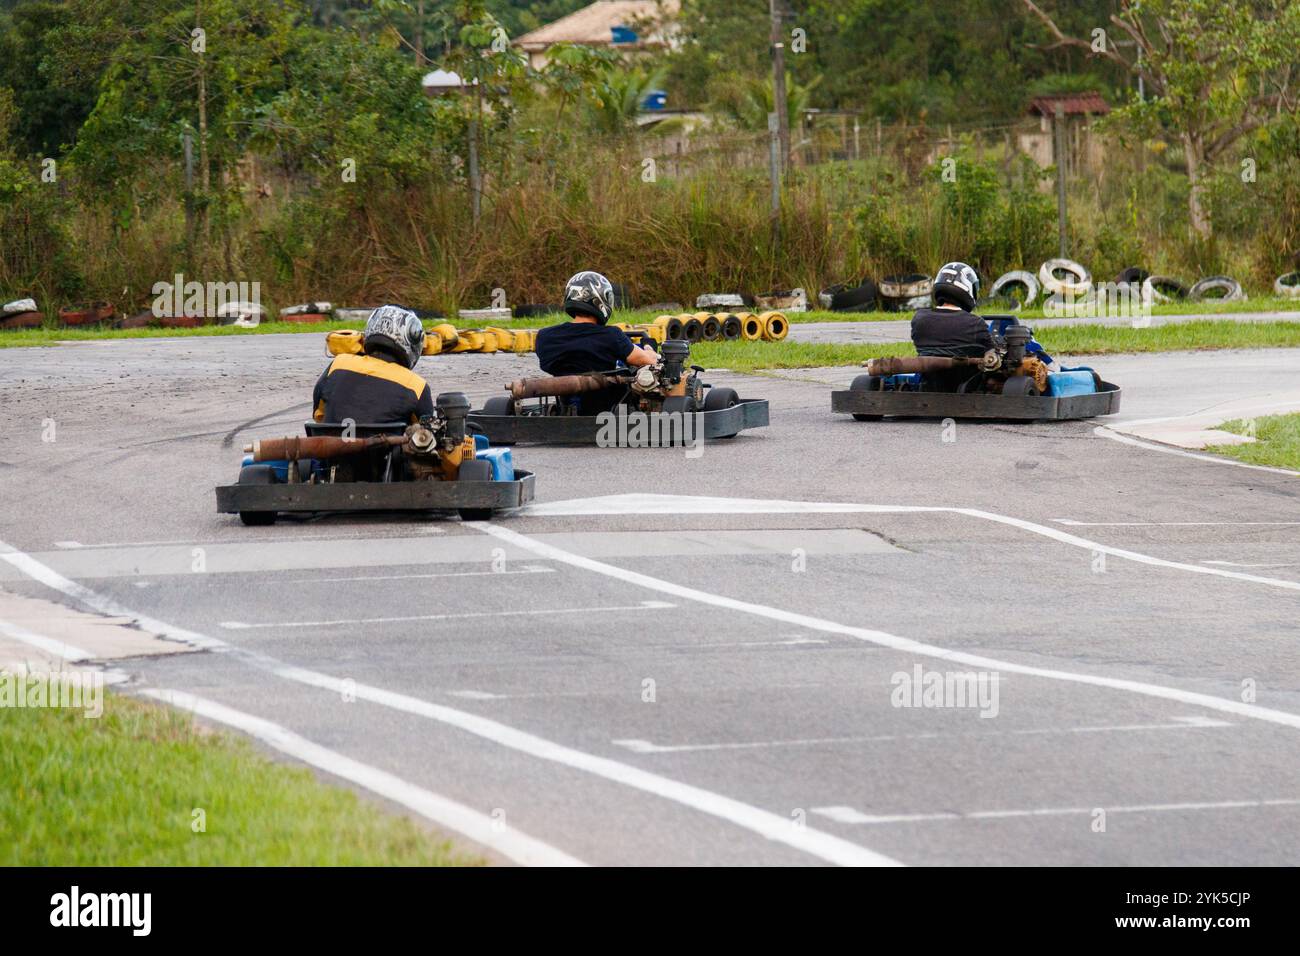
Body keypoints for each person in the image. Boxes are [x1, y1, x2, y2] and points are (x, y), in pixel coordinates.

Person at [534, 271, 658, 413]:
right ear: (600, 300)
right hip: (605, 411)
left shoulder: (546, 337)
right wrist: (650, 350)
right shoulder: (612, 336)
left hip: (565, 407)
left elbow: (551, 364)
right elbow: (647, 361)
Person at [313, 304, 434, 423]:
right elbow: (427, 435)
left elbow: (318, 415)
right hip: (384, 442)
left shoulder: (339, 364)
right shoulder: (416, 386)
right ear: (411, 339)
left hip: (333, 441)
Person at [910, 262, 993, 357]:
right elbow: (992, 354)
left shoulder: (919, 319)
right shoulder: (976, 324)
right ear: (968, 287)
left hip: (927, 372)